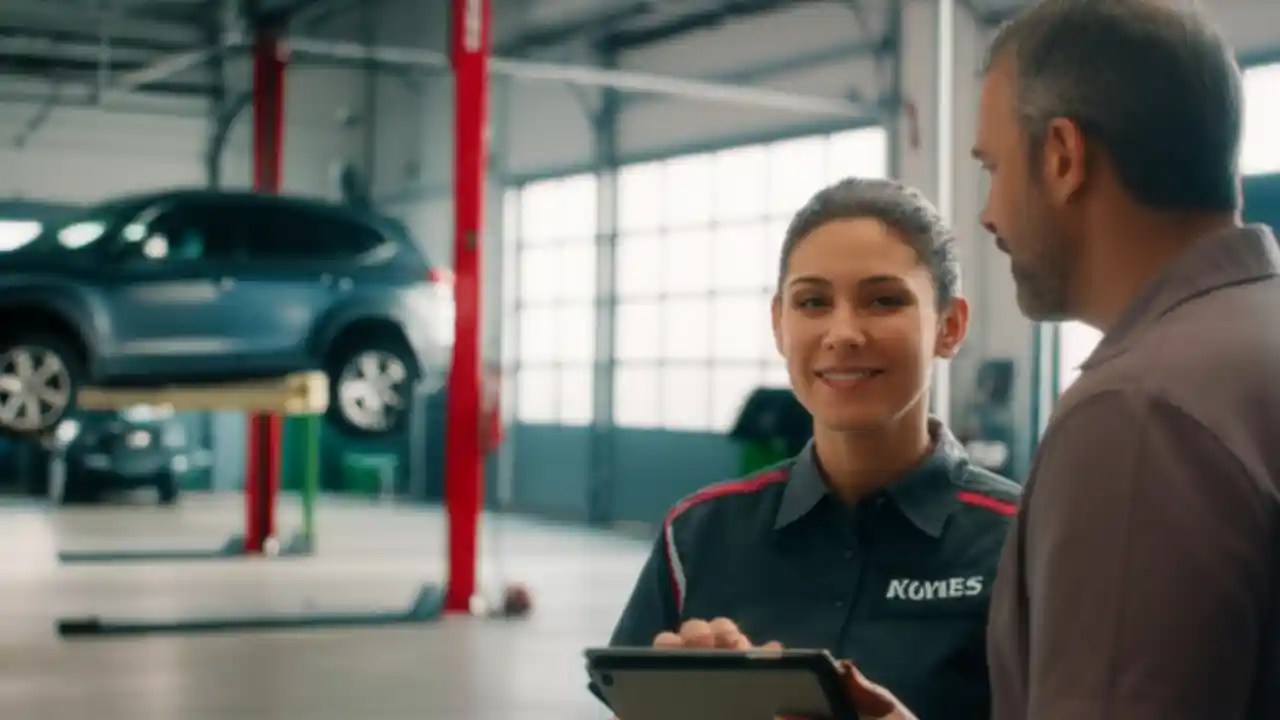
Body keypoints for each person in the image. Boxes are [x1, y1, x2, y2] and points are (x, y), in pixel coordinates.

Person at [844, 1, 1280, 718]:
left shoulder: (1140, 415)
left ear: (1062, 157)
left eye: (992, 167)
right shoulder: (1250, 343)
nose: (985, 214)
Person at [596, 178, 1022, 720]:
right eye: (813, 301)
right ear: (779, 324)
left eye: (884, 300)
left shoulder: (1022, 544)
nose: (842, 332)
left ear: (949, 325)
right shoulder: (699, 534)